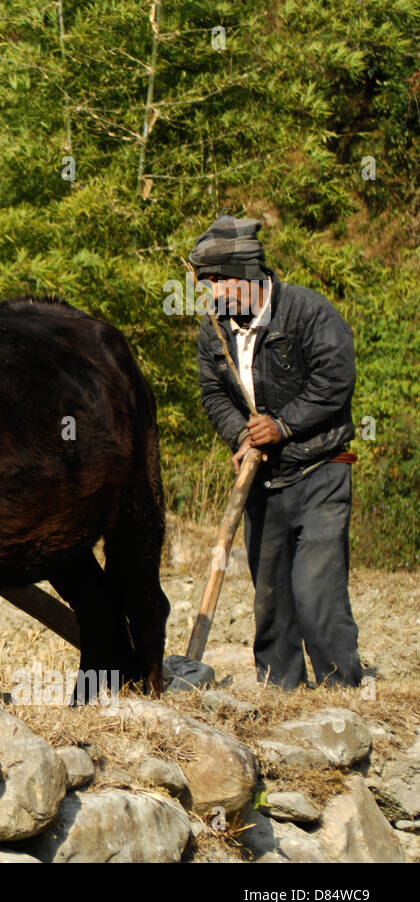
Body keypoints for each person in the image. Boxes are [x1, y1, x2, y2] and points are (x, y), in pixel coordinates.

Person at [192, 215, 363, 689]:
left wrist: (283, 426)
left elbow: (335, 378)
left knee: (315, 593)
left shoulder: (309, 312)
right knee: (271, 599)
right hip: (263, 484)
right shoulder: (215, 332)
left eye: (216, 283)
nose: (211, 295)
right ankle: (282, 693)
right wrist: (242, 437)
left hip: (320, 471)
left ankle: (340, 691)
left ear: (243, 277)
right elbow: (214, 394)